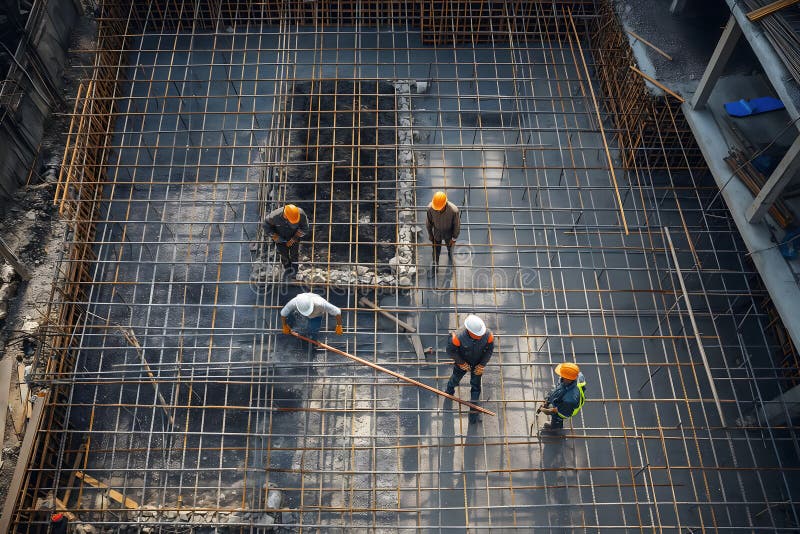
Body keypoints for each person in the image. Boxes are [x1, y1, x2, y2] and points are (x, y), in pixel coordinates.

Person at [444, 314, 494, 424]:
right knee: (455, 379)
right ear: (469, 331)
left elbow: (489, 350)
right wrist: (461, 363)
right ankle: (449, 391)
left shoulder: (488, 335)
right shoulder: (457, 337)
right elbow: (450, 351)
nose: (480, 336)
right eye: (477, 335)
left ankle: (473, 415)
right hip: (463, 362)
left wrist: (482, 365)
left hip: (477, 364)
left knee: (476, 387)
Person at [538, 362, 586, 431]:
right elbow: (558, 386)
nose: (560, 376)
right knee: (555, 397)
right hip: (565, 395)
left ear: (567, 378)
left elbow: (559, 411)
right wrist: (547, 400)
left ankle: (556, 426)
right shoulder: (573, 375)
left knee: (557, 416)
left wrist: (548, 411)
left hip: (567, 410)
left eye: (562, 375)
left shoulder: (570, 399)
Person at [264, 204, 310, 275]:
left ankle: (295, 270)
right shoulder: (274, 217)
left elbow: (305, 229)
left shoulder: (300, 214)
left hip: (294, 235)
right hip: (280, 237)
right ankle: (287, 269)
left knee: (294, 254)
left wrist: (294, 238)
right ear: (285, 215)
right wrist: (275, 236)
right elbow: (266, 226)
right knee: (283, 254)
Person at [426, 191, 460, 272]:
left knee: (450, 248)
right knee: (435, 250)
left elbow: (457, 225)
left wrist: (454, 238)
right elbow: (429, 223)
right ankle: (435, 265)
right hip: (437, 233)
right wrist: (430, 234)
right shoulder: (430, 208)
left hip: (449, 233)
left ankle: (450, 256)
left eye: (439, 208)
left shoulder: (453, 210)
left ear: (444, 204)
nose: (437, 210)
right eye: (436, 209)